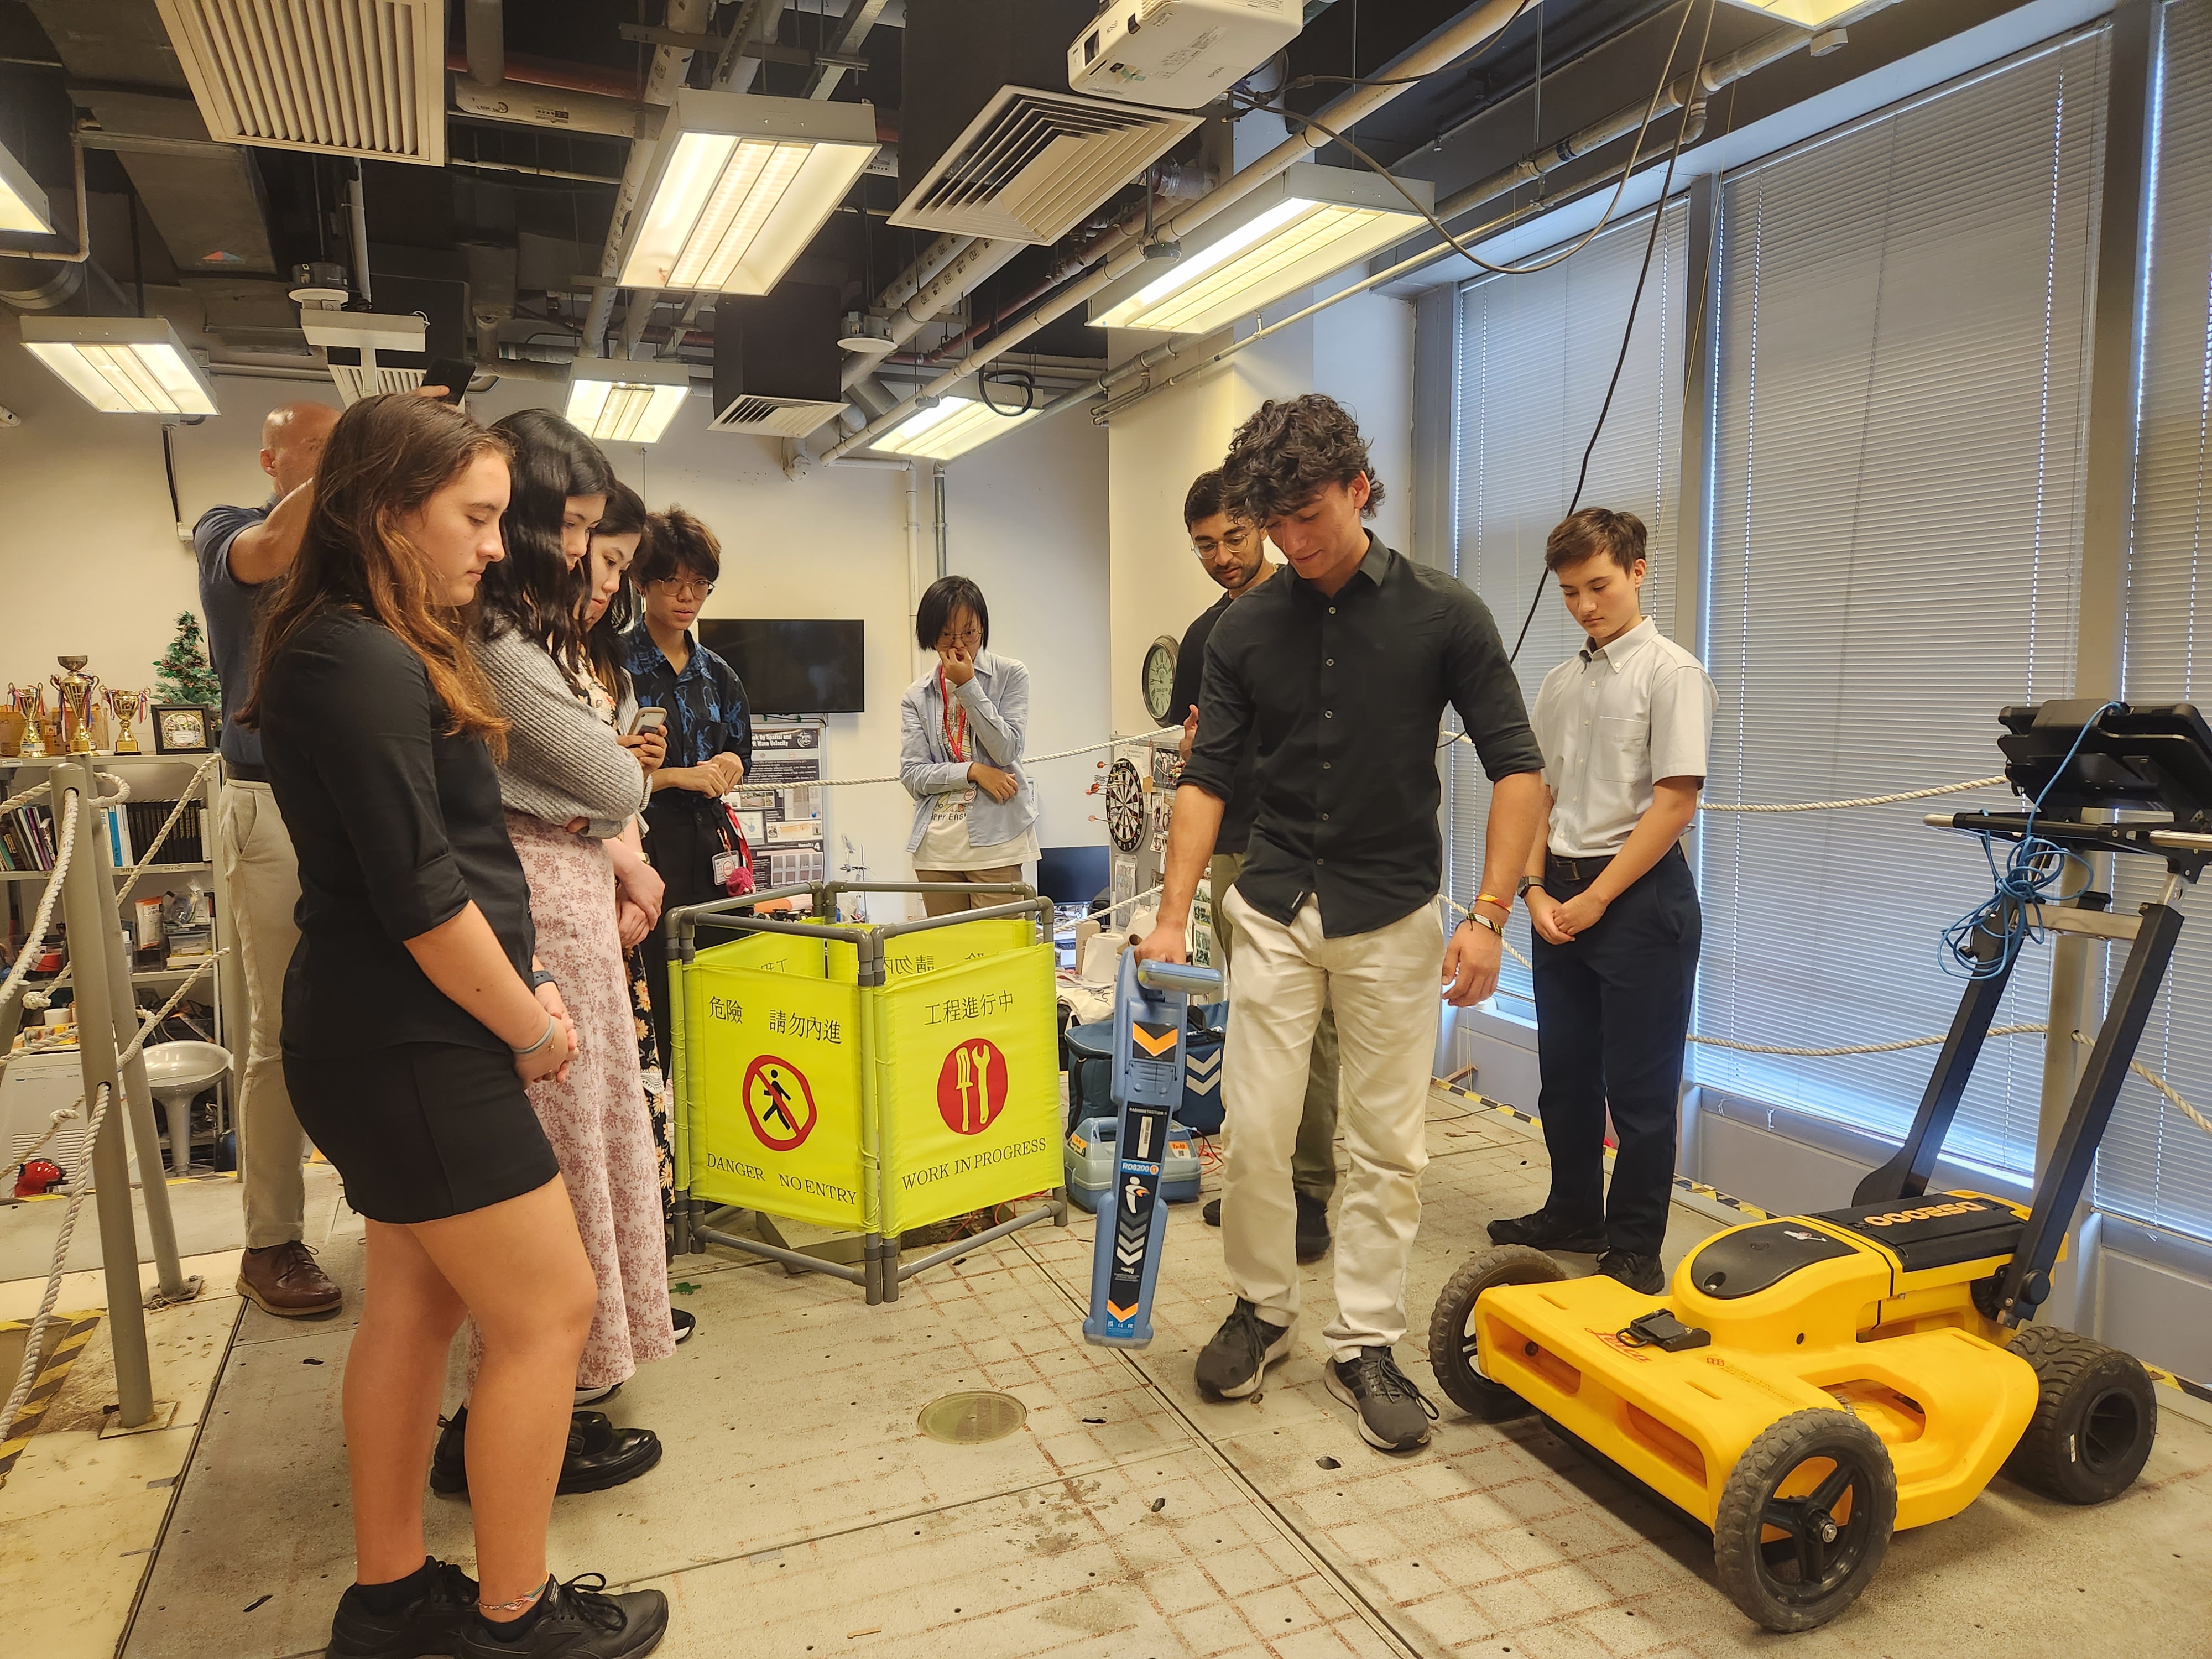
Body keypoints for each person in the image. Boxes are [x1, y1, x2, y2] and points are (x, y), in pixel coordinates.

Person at [242, 392, 666, 1658]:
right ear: (386, 511)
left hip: (401, 1034)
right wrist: (527, 1022)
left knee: (416, 1311)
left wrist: (508, 991)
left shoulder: (356, 642)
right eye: (475, 517)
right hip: (416, 1042)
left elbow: (439, 869)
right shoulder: (362, 657)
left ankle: (388, 1597)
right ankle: (512, 1611)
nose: (497, 544)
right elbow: (423, 889)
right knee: (547, 1310)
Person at [1136, 394, 1547, 1454]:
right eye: (1273, 523)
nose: (1291, 542)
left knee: (1385, 1148)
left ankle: (1365, 1341)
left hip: (1392, 915)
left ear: (1359, 487)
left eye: (1307, 515)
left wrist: (1493, 915)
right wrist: (1173, 912)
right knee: (1261, 1133)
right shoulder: (1237, 630)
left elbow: (1518, 767)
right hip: (1271, 908)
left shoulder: (1444, 613)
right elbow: (1208, 774)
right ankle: (1265, 1310)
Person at [431, 416, 670, 1498]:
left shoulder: (519, 635)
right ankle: (534, 1421)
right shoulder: (498, 638)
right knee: (567, 1156)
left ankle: (558, 1400)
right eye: (570, 530)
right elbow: (614, 785)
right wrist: (617, 772)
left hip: (569, 885)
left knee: (591, 1143)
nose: (580, 557)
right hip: (545, 896)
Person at [1491, 509, 1714, 1295]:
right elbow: (1541, 795)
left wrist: (1599, 899)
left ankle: (1633, 1244)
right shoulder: (1559, 683)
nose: (1586, 605)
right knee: (1567, 1074)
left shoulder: (1672, 673)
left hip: (1641, 899)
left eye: (1600, 586)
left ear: (1637, 572)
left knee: (1641, 1090)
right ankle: (1574, 1209)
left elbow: (1675, 802)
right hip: (1560, 891)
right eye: (1570, 592)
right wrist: (1536, 886)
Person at [195, 398, 346, 1318]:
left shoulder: (352, 552)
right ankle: (271, 1241)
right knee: (277, 1032)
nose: (344, 465)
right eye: (324, 451)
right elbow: (272, 549)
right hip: (271, 808)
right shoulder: (230, 533)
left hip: (353, 801)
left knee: (372, 1009)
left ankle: (389, 1207)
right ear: (271, 457)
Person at [1173, 469, 1340, 1264]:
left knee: (1313, 1028)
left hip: (1311, 850)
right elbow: (1201, 750)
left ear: (1265, 526)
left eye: (1234, 538)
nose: (1222, 557)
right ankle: (1261, 1184)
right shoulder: (1209, 635)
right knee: (1253, 1025)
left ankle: (1310, 1192)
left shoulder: (1315, 612)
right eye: (1206, 545)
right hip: (1234, 845)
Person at [580, 487, 682, 1260]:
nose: (610, 582)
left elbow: (618, 790)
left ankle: (631, 1273)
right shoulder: (518, 656)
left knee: (631, 1087)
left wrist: (636, 869)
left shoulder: (602, 658)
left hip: (627, 876)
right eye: (604, 558)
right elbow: (571, 792)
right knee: (594, 1104)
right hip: (578, 901)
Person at [627, 508, 751, 1065]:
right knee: (656, 982)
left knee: (724, 982)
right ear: (641, 581)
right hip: (646, 842)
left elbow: (741, 750)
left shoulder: (718, 672)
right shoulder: (615, 662)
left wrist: (727, 762)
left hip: (714, 844)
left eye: (700, 584)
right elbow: (599, 769)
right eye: (673, 581)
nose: (687, 596)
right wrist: (676, 775)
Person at [899, 576, 1039, 917]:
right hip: (936, 848)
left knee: (997, 956)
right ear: (931, 635)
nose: (958, 644)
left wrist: (968, 686)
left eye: (969, 633)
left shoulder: (1010, 674)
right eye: (947, 634)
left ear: (983, 630)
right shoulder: (917, 694)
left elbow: (1007, 751)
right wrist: (974, 771)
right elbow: (913, 775)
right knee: (949, 956)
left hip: (996, 841)